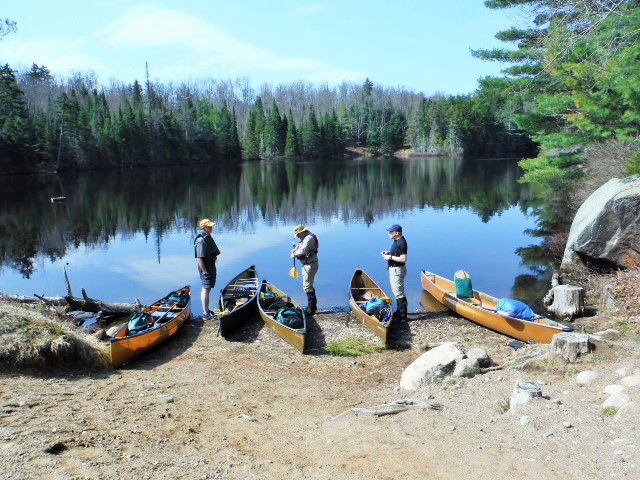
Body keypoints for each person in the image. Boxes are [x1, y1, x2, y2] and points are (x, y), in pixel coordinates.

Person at [381, 223, 408, 321]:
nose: (389, 233)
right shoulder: (397, 241)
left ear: (396, 233)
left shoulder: (401, 242)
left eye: (391, 232)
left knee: (398, 293)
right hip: (395, 269)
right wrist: (389, 253)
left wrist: (390, 257)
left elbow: (403, 259)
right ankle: (399, 312)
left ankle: (403, 317)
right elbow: (397, 253)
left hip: (397, 270)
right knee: (398, 291)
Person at [195, 218, 221, 319]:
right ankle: (205, 313)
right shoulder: (201, 240)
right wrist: (205, 272)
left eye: (211, 226)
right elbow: (199, 259)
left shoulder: (207, 237)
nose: (211, 228)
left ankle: (206, 310)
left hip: (209, 266)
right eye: (209, 226)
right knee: (206, 289)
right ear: (204, 227)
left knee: (208, 288)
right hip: (205, 268)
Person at [292, 224, 319, 315]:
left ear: (302, 232)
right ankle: (313, 307)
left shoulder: (309, 238)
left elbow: (303, 250)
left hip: (310, 265)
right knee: (309, 285)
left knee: (307, 286)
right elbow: (300, 247)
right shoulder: (306, 238)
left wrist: (294, 254)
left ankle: (311, 310)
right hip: (309, 264)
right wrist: (295, 251)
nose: (298, 236)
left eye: (298, 234)